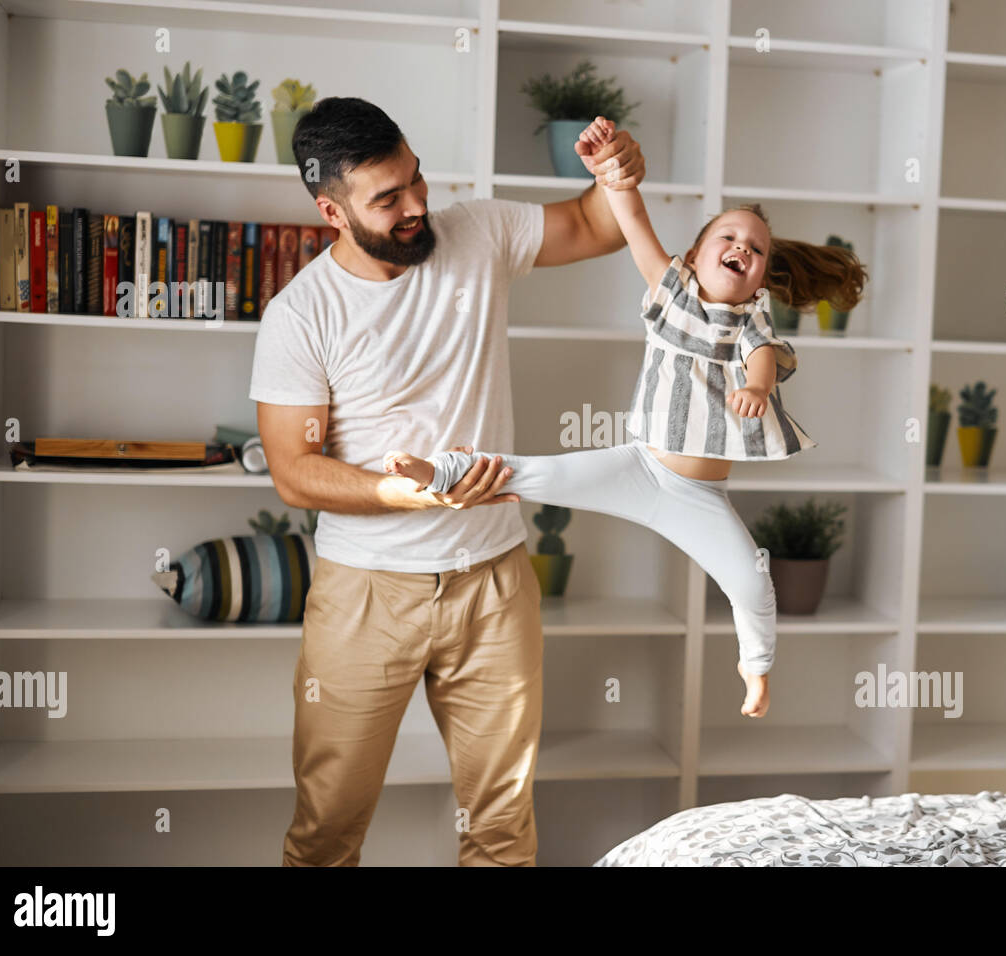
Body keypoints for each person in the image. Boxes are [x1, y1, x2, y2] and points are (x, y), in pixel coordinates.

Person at [249, 97, 647, 866]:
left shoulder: (479, 231)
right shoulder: (300, 316)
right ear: (332, 210)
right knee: (328, 830)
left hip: (493, 582)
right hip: (366, 594)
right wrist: (393, 495)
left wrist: (618, 172)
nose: (416, 206)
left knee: (501, 828)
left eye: (416, 180)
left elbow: (598, 224)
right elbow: (295, 474)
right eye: (388, 198)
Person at [384, 117, 868, 721]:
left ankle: (756, 667)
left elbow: (762, 358)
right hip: (639, 467)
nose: (741, 247)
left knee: (750, 583)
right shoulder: (671, 288)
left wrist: (755, 387)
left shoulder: (751, 322)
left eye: (755, 247)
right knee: (538, 474)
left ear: (762, 277)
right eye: (729, 236)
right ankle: (442, 471)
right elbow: (633, 221)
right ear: (695, 255)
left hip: (699, 495)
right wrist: (611, 167)